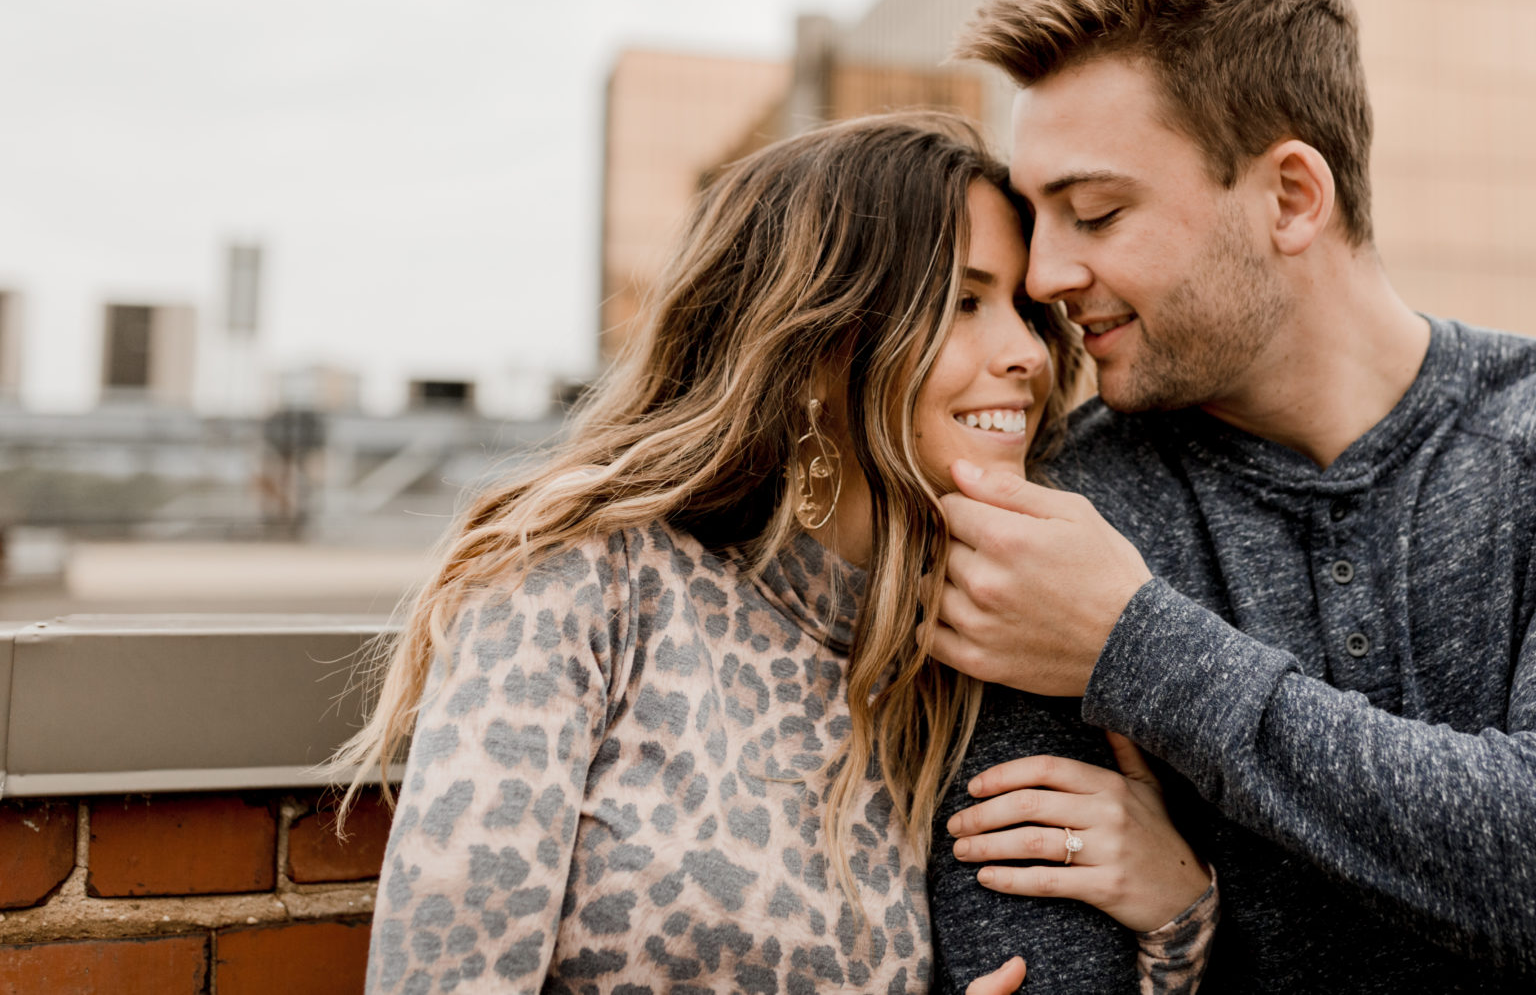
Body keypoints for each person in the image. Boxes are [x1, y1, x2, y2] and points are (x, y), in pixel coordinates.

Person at [923, 0, 1536, 993]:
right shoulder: (1062, 516)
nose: (1043, 275)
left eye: (1093, 212)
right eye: (1036, 218)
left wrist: (1134, 646)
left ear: (1289, 197)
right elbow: (1039, 970)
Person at [338, 115, 1218, 995]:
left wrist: (1178, 918)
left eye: (1025, 309)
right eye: (963, 302)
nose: (1027, 352)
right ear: (814, 347)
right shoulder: (577, 589)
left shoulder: (970, 649)